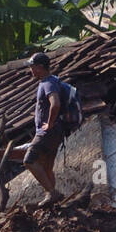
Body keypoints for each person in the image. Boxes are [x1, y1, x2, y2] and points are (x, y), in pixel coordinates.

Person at [23, 53, 70, 207]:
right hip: (56, 131)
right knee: (47, 166)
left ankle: (51, 192)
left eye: (32, 66)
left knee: (29, 160)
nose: (31, 70)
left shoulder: (48, 83)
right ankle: (53, 200)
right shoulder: (50, 81)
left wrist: (49, 124)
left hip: (47, 131)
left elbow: (55, 104)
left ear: (40, 67)